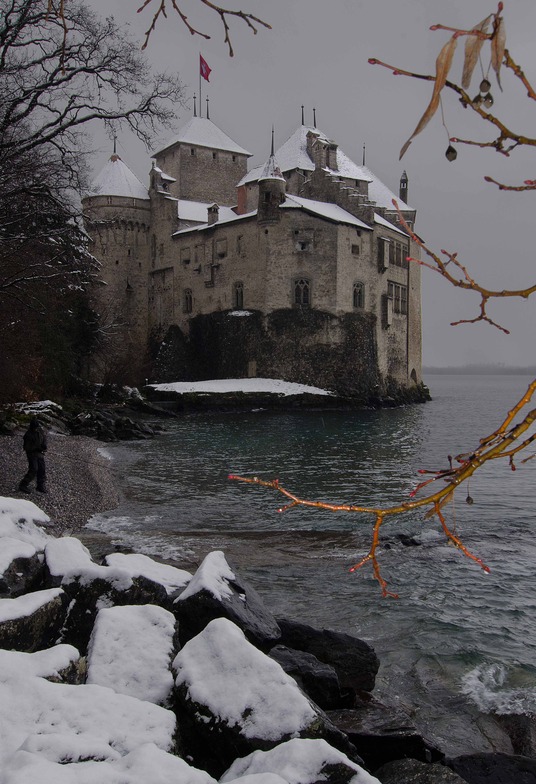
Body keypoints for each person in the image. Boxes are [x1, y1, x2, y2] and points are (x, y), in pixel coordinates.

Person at [18, 417, 47, 494]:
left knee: (42, 469)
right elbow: (27, 447)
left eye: (37, 427)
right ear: (31, 427)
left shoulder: (40, 430)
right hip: (32, 454)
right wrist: (37, 448)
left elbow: (44, 438)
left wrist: (44, 445)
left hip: (40, 453)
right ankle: (23, 484)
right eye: (34, 428)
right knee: (34, 469)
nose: (36, 429)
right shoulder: (28, 435)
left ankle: (40, 485)